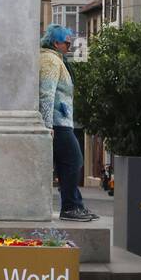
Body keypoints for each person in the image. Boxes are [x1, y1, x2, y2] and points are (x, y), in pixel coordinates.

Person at [39, 25, 97, 222]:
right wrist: (47, 126)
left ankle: (75, 205)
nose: (70, 47)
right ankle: (71, 207)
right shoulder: (50, 60)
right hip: (57, 123)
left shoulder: (55, 59)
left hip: (61, 121)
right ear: (56, 43)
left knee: (70, 163)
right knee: (73, 161)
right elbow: (46, 92)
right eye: (67, 43)